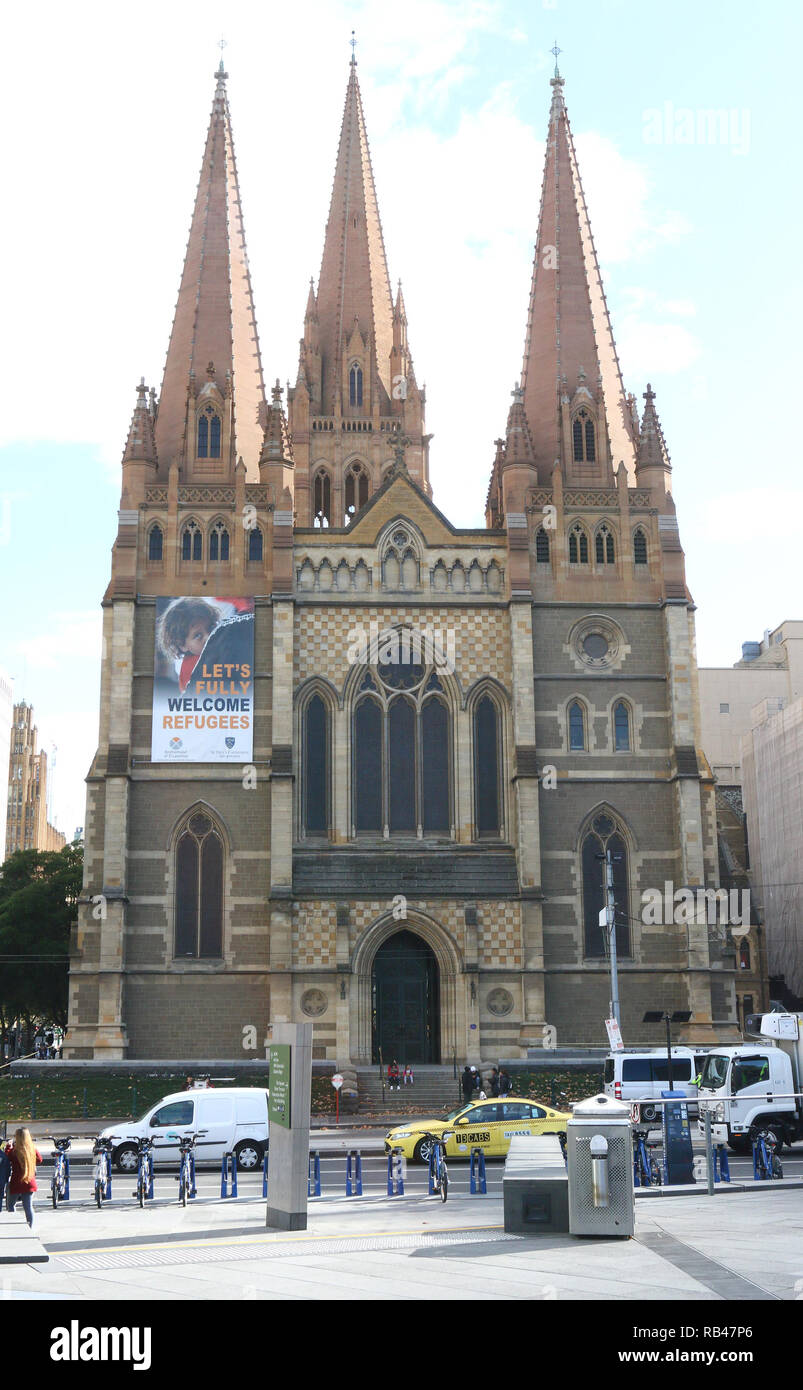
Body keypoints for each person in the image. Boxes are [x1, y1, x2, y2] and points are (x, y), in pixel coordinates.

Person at [3, 1128, 42, 1229]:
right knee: (28, 1207)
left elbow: (6, 1158)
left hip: (16, 1182)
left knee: (11, 1206)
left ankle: (14, 1226)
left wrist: (8, 1146)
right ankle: (30, 1228)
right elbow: (40, 1159)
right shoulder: (32, 1149)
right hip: (29, 1181)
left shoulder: (14, 1151)